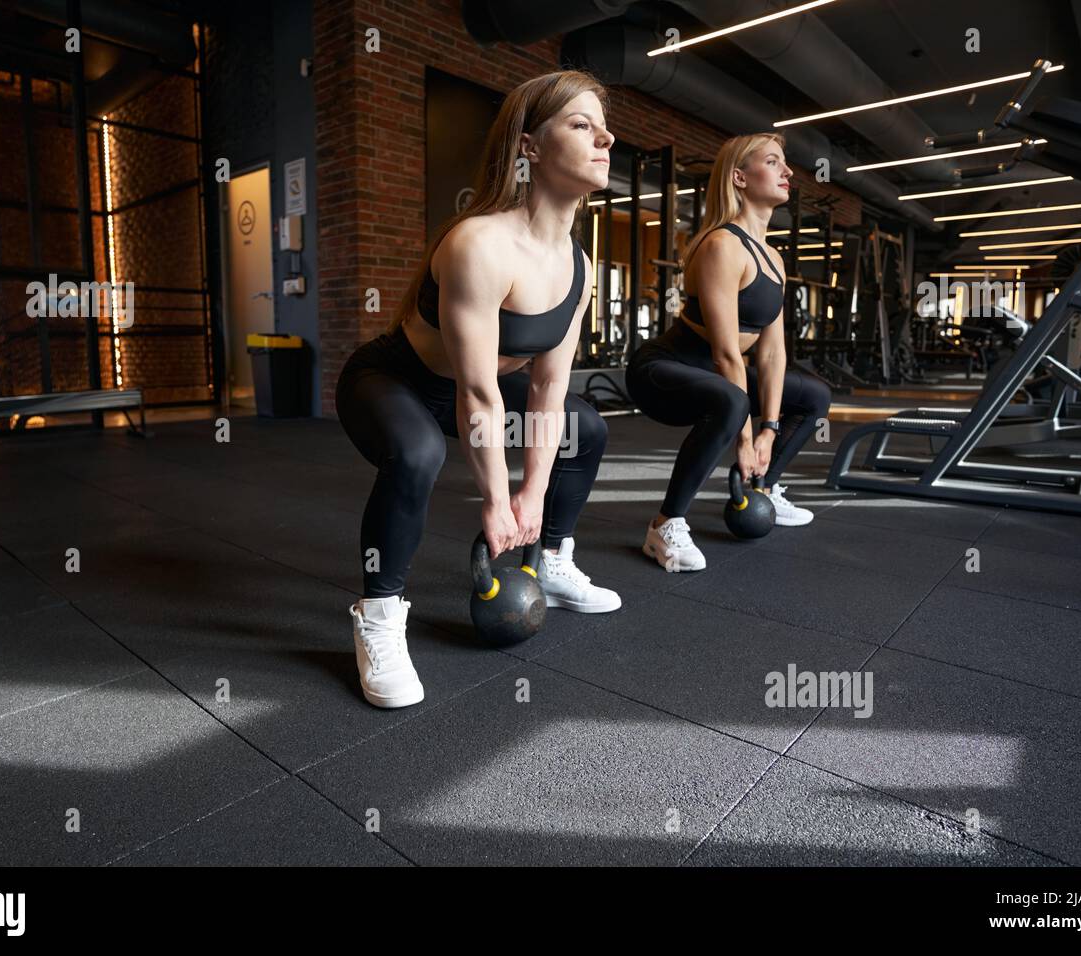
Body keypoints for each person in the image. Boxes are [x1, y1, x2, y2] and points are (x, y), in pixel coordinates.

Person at [335, 71, 622, 708]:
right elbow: (478, 394)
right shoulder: (480, 244)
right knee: (418, 455)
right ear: (529, 147)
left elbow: (547, 389)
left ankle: (551, 557)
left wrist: (534, 497)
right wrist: (497, 500)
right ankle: (379, 617)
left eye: (603, 126)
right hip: (395, 381)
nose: (605, 137)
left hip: (486, 389)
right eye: (580, 124)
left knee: (587, 425)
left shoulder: (579, 265)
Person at [626, 133, 832, 572]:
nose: (788, 172)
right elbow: (725, 353)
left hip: (720, 378)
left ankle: (764, 487)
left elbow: (773, 354)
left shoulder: (773, 259)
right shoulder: (722, 245)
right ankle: (665, 525)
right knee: (733, 398)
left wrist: (769, 431)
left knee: (813, 395)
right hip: (665, 369)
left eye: (785, 164)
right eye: (773, 162)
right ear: (739, 177)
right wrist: (743, 439)